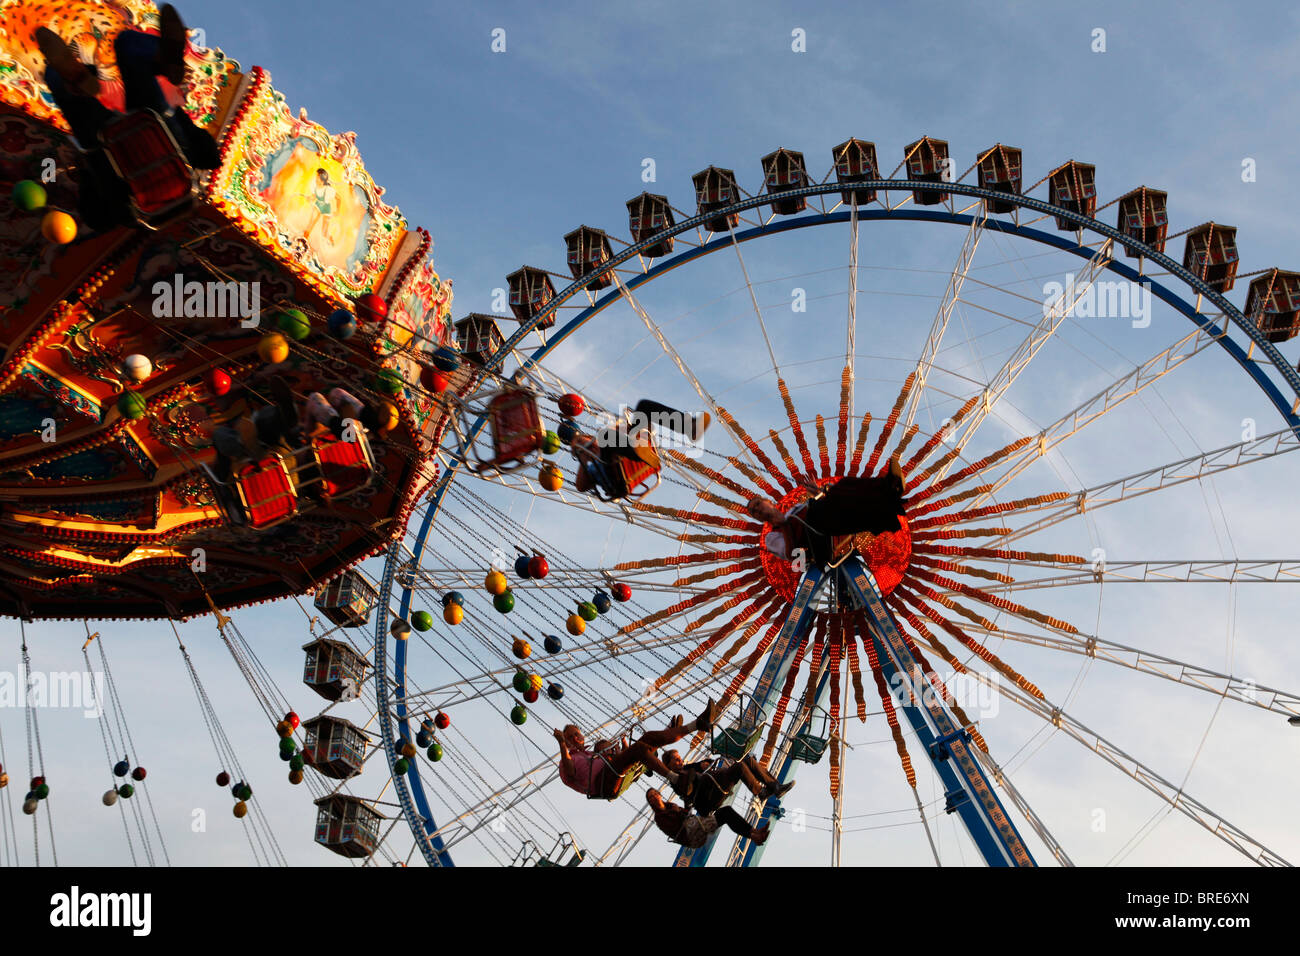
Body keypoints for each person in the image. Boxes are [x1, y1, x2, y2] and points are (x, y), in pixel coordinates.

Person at [35, 5, 219, 230]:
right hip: (128, 144)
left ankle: (156, 61)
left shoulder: (181, 181)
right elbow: (96, 218)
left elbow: (210, 157)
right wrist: (85, 172)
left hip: (148, 133)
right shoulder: (129, 211)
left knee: (128, 45)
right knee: (57, 77)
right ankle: (78, 82)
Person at [749, 454, 907, 567]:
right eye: (754, 511)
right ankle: (888, 494)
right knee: (832, 498)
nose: (757, 509)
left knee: (843, 486)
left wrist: (817, 493)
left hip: (831, 527)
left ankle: (890, 493)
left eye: (757, 504)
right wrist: (784, 526)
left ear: (768, 501)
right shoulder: (771, 538)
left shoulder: (795, 509)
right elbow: (793, 558)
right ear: (757, 519)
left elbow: (824, 505)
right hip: (818, 542)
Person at [554, 700, 721, 800]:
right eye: (570, 737)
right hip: (603, 782)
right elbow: (570, 770)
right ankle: (676, 780)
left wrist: (622, 750)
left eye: (577, 734)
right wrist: (562, 744)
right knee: (640, 749)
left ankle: (697, 724)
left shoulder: (591, 753)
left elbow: (614, 755)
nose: (575, 738)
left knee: (649, 738)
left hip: (615, 770)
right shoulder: (565, 760)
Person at [571, 399, 709, 498]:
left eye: (582, 441)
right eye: (579, 448)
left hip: (630, 448)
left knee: (644, 407)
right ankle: (637, 451)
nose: (582, 445)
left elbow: (621, 432)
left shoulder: (606, 440)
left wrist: (625, 427)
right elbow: (581, 486)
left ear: (590, 438)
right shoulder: (592, 467)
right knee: (607, 436)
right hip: (616, 477)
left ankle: (690, 426)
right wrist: (583, 458)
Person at [662, 750, 793, 812]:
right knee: (740, 767)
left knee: (749, 761)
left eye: (680, 758)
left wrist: (705, 763)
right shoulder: (675, 779)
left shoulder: (687, 767)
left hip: (716, 781)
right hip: (710, 794)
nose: (681, 761)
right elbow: (687, 791)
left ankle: (775, 787)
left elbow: (700, 765)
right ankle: (760, 792)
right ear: (668, 764)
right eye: (676, 759)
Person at [646, 788, 769, 849]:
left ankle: (754, 833)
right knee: (725, 812)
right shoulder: (659, 818)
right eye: (650, 798)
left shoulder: (670, 805)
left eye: (654, 795)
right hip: (689, 834)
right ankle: (753, 835)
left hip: (693, 825)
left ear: (659, 794)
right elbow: (675, 826)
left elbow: (685, 813)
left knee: (726, 813)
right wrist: (680, 812)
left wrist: (686, 805)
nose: (653, 798)